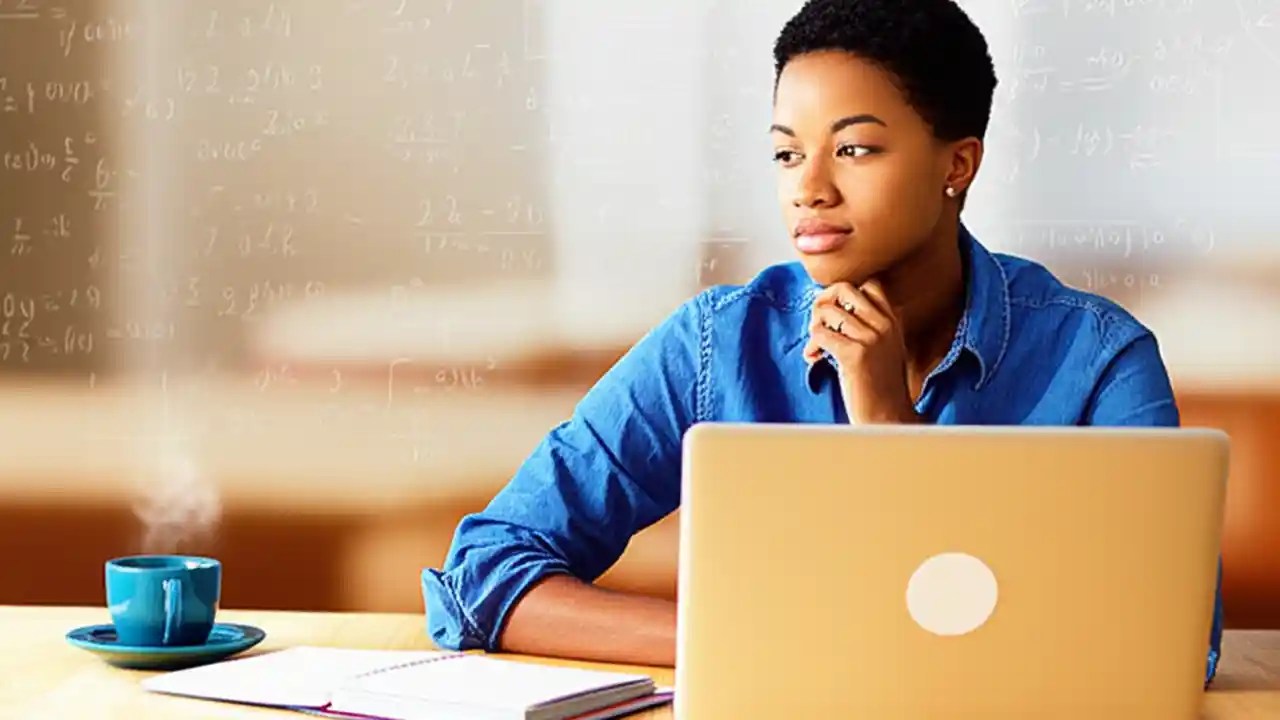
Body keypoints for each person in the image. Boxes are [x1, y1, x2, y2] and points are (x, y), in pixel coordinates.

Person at [423, 0, 1223, 686]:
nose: (809, 185)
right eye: (786, 151)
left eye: (855, 148)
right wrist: (745, 643)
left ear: (959, 162)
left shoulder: (1097, 358)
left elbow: (1177, 641)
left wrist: (888, 428)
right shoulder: (718, 343)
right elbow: (485, 579)